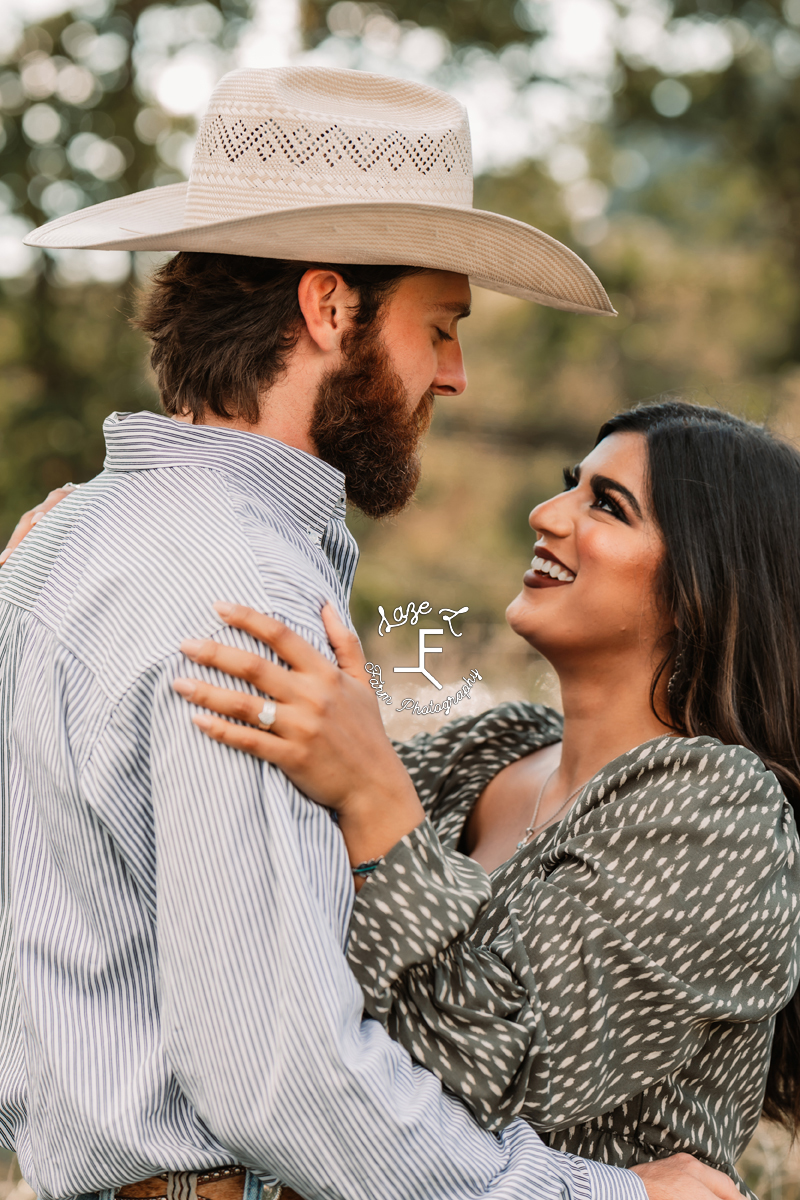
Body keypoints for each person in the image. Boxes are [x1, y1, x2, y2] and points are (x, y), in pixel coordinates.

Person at [0, 64, 736, 1200]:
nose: (455, 374)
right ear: (330, 308)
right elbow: (285, 1081)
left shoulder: (64, 546)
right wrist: (609, 1196)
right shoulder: (245, 595)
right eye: (438, 327)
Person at [166, 402, 800, 1190]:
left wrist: (376, 803)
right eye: (571, 485)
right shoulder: (491, 750)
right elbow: (266, 873)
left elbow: (509, 1080)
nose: (547, 514)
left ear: (703, 582)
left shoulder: (722, 814)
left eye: (607, 506)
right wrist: (82, 564)